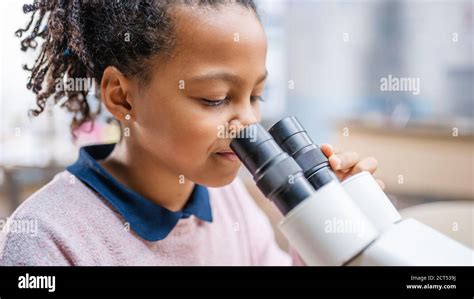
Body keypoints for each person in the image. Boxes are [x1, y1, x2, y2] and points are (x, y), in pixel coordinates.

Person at [0, 0, 383, 266]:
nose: (248, 122)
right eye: (215, 98)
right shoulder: (47, 238)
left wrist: (328, 229)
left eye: (256, 95)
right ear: (122, 97)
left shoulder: (228, 200)